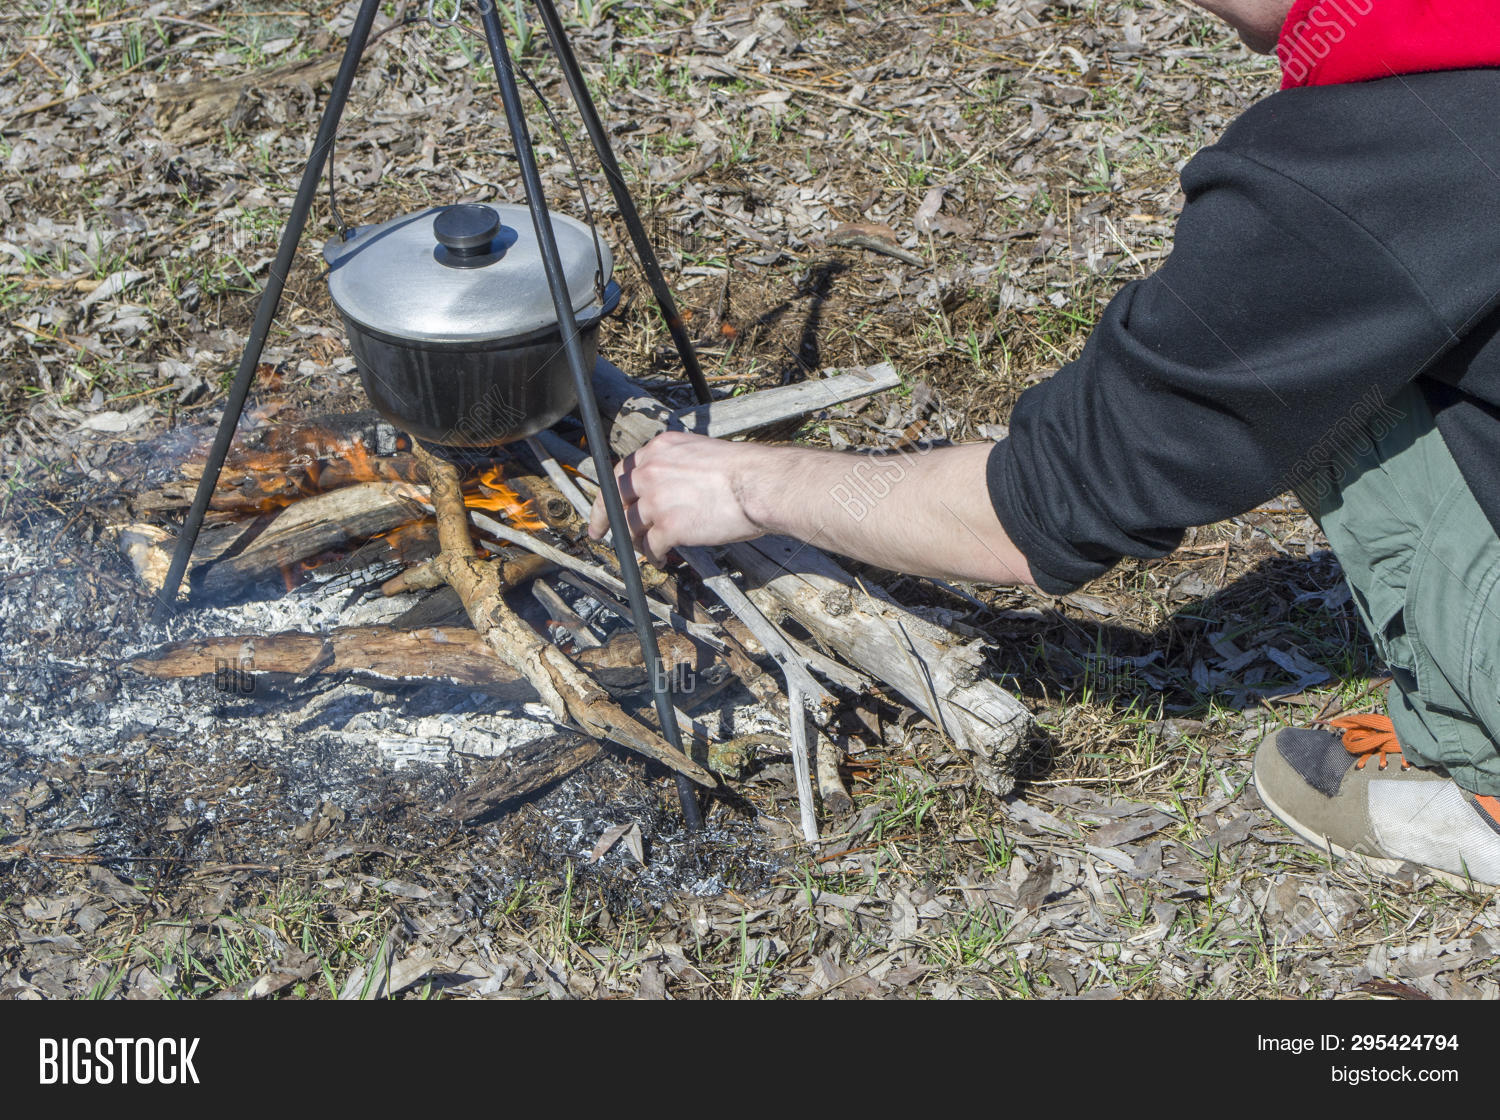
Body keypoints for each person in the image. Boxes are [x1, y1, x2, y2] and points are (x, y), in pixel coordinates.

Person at [589, 0, 1500, 888]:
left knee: (1336, 362)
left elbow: (1041, 506)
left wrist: (750, 486)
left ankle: (1490, 792)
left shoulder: (1359, 162)